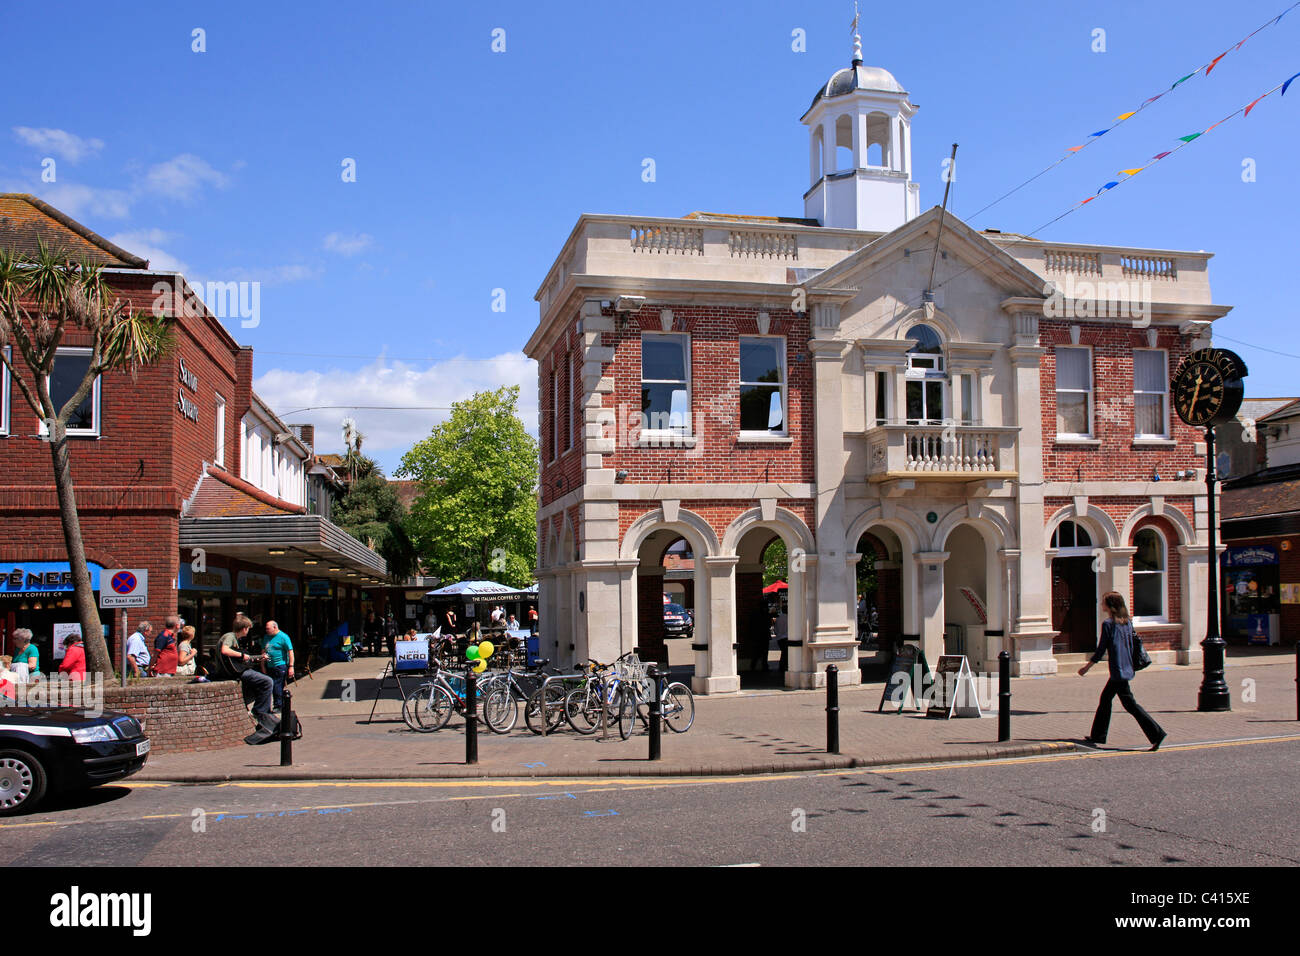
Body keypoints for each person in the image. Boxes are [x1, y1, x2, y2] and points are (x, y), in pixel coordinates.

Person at [1078, 591, 1166, 751]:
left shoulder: (1109, 624)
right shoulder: (1126, 622)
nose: (1101, 604)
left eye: (1103, 602)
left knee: (1129, 705)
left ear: (1110, 606)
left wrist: (1087, 667)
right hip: (1125, 667)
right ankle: (1098, 735)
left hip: (1118, 671)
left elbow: (1101, 649)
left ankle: (1156, 733)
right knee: (1106, 700)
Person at [217, 613, 274, 722]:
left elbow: (236, 660)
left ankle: (255, 709)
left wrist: (257, 658)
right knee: (268, 681)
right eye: (248, 628)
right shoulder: (230, 636)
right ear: (244, 629)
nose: (248, 631)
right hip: (232, 673)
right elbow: (225, 650)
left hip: (235, 671)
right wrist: (242, 655)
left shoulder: (234, 639)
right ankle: (259, 711)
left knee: (255, 685)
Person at [262, 620, 295, 710]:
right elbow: (263, 651)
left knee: (277, 685)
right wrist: (263, 665)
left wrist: (291, 666)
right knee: (272, 685)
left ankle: (278, 705)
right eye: (266, 629)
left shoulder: (283, 637)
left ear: (275, 627)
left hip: (280, 665)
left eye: (268, 629)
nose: (267, 631)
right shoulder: (266, 637)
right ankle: (279, 702)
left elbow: (290, 651)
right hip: (269, 665)